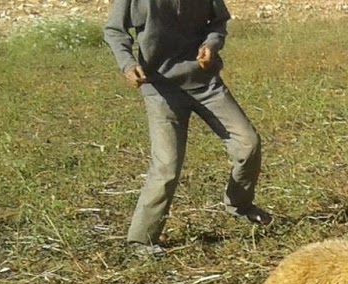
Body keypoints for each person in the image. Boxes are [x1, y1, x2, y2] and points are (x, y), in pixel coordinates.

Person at [103, 0, 271, 254]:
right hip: (160, 89)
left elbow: (218, 22)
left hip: (205, 84)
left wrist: (211, 45)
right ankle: (141, 239)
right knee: (167, 165)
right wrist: (127, 63)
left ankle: (240, 205)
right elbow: (115, 30)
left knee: (248, 143)